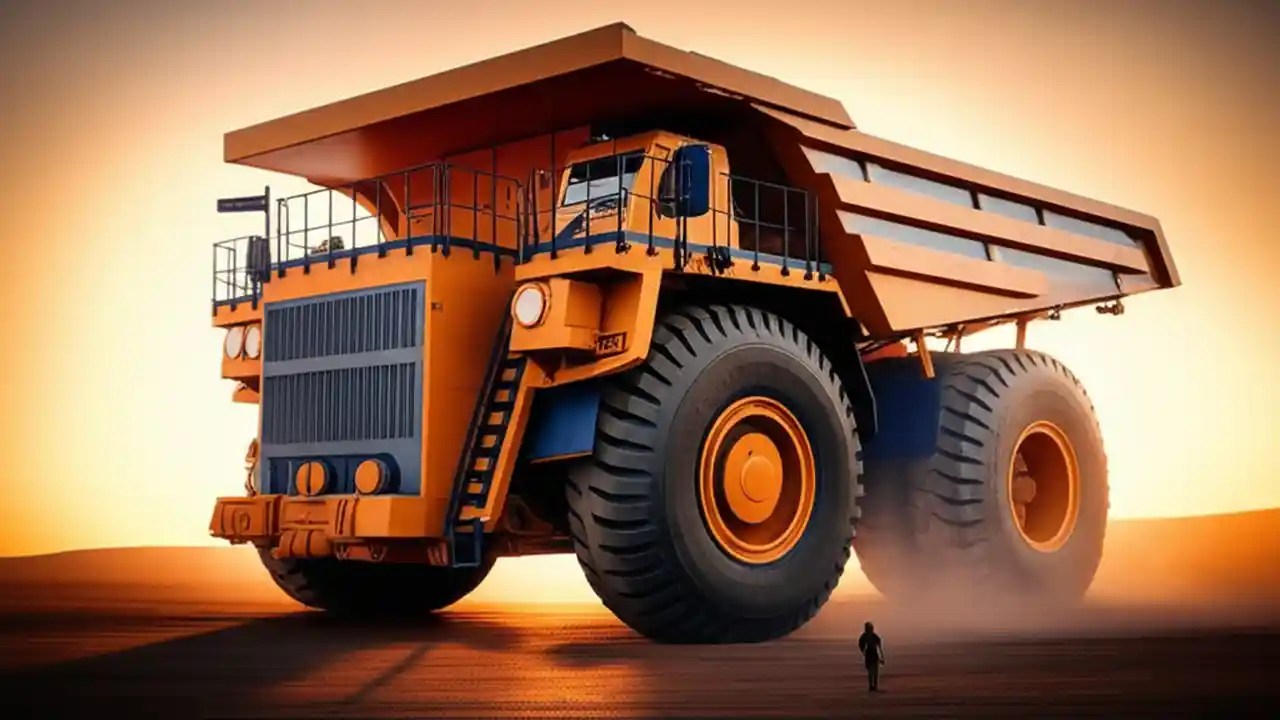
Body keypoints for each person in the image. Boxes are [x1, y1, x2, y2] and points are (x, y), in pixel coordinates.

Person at [858, 621, 885, 691]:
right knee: (871, 671)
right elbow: (861, 645)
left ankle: (874, 686)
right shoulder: (866, 636)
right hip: (870, 655)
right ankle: (871, 686)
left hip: (873, 655)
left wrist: (881, 656)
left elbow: (879, 646)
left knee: (874, 671)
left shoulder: (871, 636)